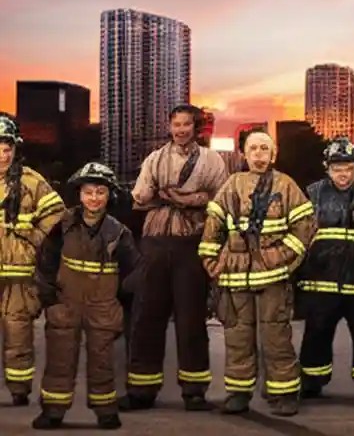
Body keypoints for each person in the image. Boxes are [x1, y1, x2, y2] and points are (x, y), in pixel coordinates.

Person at [198, 129, 316, 416]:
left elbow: (305, 227)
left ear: (273, 154)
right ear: (245, 154)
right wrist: (210, 259)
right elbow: (213, 225)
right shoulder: (232, 184)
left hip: (273, 278)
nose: (259, 155)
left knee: (276, 336)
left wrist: (280, 257)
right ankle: (239, 392)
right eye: (254, 149)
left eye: (265, 149)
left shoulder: (286, 185)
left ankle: (284, 393)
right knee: (237, 337)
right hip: (235, 277)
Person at [122, 104, 229, 412]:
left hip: (191, 244)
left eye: (187, 124)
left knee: (191, 318)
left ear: (196, 128)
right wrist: (193, 198)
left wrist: (179, 197)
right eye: (176, 124)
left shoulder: (211, 160)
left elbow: (220, 202)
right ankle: (141, 390)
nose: (181, 129)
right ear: (169, 127)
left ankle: (194, 391)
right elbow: (140, 199)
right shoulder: (154, 159)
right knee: (146, 317)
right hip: (155, 242)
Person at [31, 163, 141, 431]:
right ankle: (53, 411)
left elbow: (135, 271)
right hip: (66, 302)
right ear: (79, 194)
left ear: (109, 196)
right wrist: (50, 299)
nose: (94, 198)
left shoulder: (119, 233)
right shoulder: (63, 226)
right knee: (59, 357)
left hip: (103, 305)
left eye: (100, 192)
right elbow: (45, 262)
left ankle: (105, 411)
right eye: (89, 192)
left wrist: (119, 299)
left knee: (102, 360)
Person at [296, 137, 354, 401]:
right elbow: (300, 233)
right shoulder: (312, 193)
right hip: (321, 281)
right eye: (337, 168)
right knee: (316, 332)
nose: (343, 174)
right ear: (327, 168)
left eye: (348, 168)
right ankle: (312, 380)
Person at [0, 113, 64, 406]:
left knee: (19, 330)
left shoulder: (30, 181)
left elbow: (56, 211)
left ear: (15, 148)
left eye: (6, 147)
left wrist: (34, 239)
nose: (2, 153)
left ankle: (19, 388)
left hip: (20, 275)